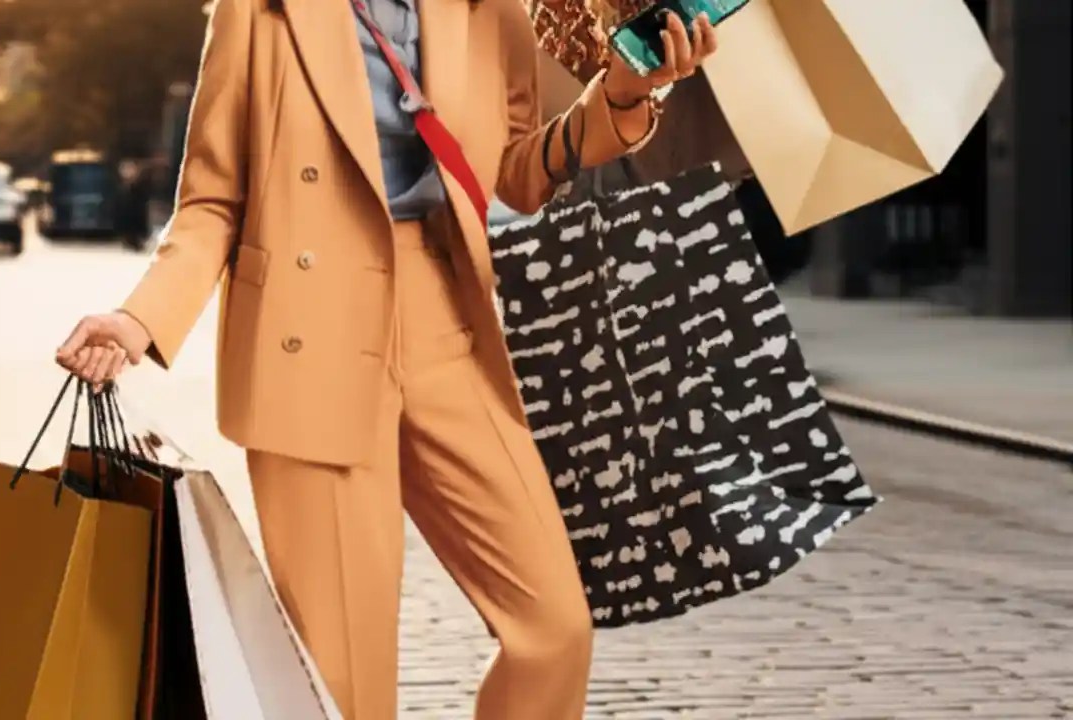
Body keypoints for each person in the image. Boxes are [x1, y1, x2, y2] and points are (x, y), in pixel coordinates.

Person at [57, 2, 718, 718]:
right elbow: (214, 197)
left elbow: (518, 173)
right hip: (307, 335)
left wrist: (621, 94)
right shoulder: (260, 11)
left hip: (444, 317)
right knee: (345, 686)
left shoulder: (489, 10)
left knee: (555, 631)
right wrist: (139, 317)